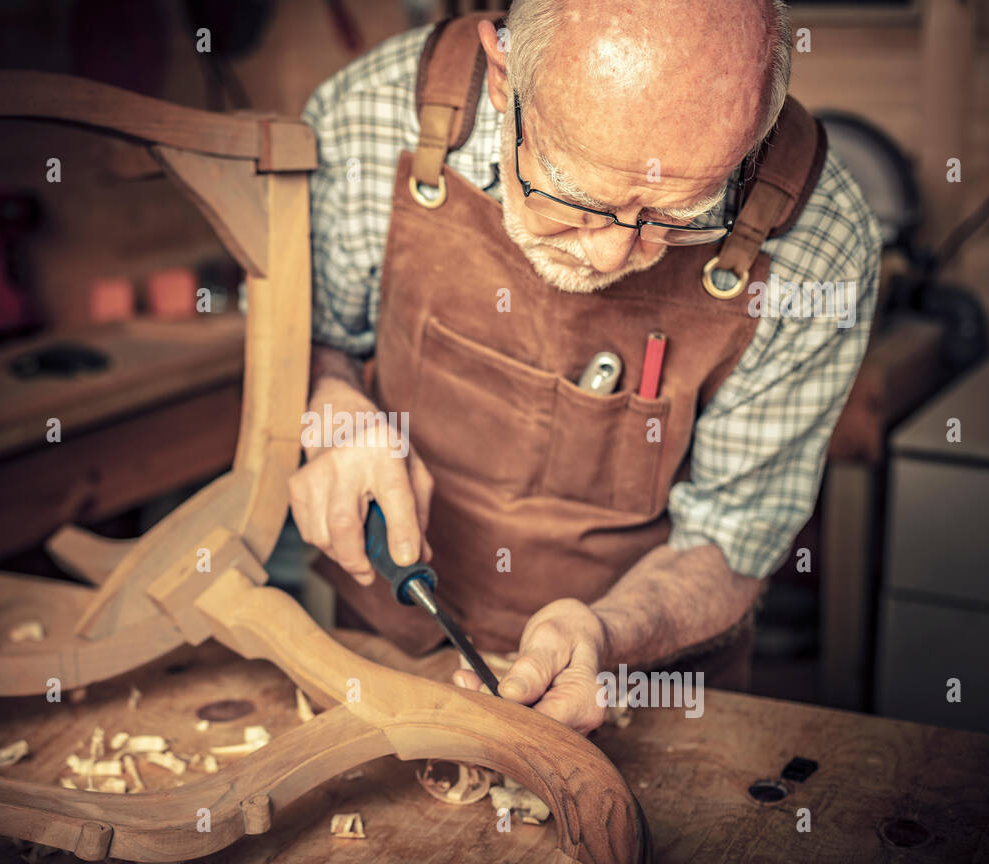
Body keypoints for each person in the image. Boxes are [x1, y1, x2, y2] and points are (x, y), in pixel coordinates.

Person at [290, 0, 882, 732]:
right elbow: (314, 341)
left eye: (680, 214)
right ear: (506, 76)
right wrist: (331, 395)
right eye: (574, 198)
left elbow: (736, 533)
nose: (609, 256)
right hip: (387, 651)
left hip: (645, 689)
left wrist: (610, 636)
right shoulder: (371, 117)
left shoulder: (817, 240)